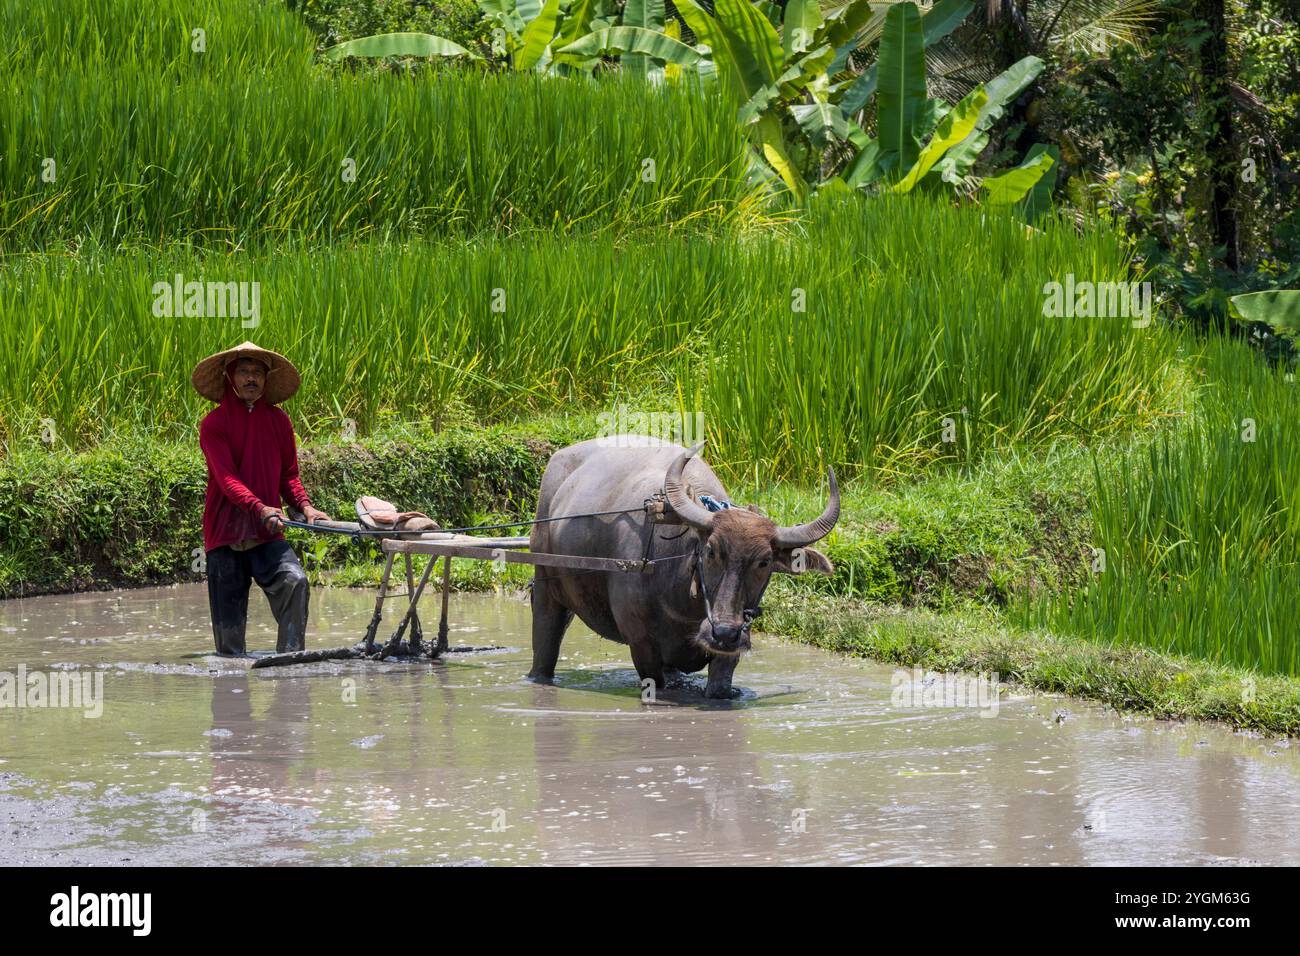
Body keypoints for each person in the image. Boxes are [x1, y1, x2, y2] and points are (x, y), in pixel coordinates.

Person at [192, 341, 330, 655]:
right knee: (229, 640)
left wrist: (304, 506)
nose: (251, 378)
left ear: (266, 380)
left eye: (257, 372)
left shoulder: (279, 422)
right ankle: (230, 686)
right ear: (230, 377)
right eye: (243, 371)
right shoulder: (213, 425)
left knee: (295, 582)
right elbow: (227, 479)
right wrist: (259, 507)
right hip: (226, 534)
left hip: (267, 533)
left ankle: (289, 661)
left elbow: (288, 476)